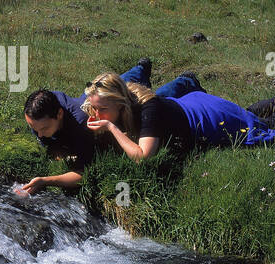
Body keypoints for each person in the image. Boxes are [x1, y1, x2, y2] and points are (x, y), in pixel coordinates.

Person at [17, 59, 203, 194]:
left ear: (58, 115)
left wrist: (109, 127)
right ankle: (141, 68)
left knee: (149, 96)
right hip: (99, 99)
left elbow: (85, 171)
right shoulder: (42, 112)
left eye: (43, 130)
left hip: (128, 102)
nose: (39, 136)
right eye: (35, 130)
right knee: (125, 88)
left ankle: (183, 80)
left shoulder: (81, 123)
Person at [81, 72, 275, 165]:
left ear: (120, 105)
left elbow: (142, 157)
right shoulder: (107, 109)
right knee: (249, 114)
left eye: (101, 109)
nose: (96, 114)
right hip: (189, 105)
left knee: (262, 126)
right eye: (94, 107)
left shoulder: (148, 108)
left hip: (205, 117)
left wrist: (110, 127)